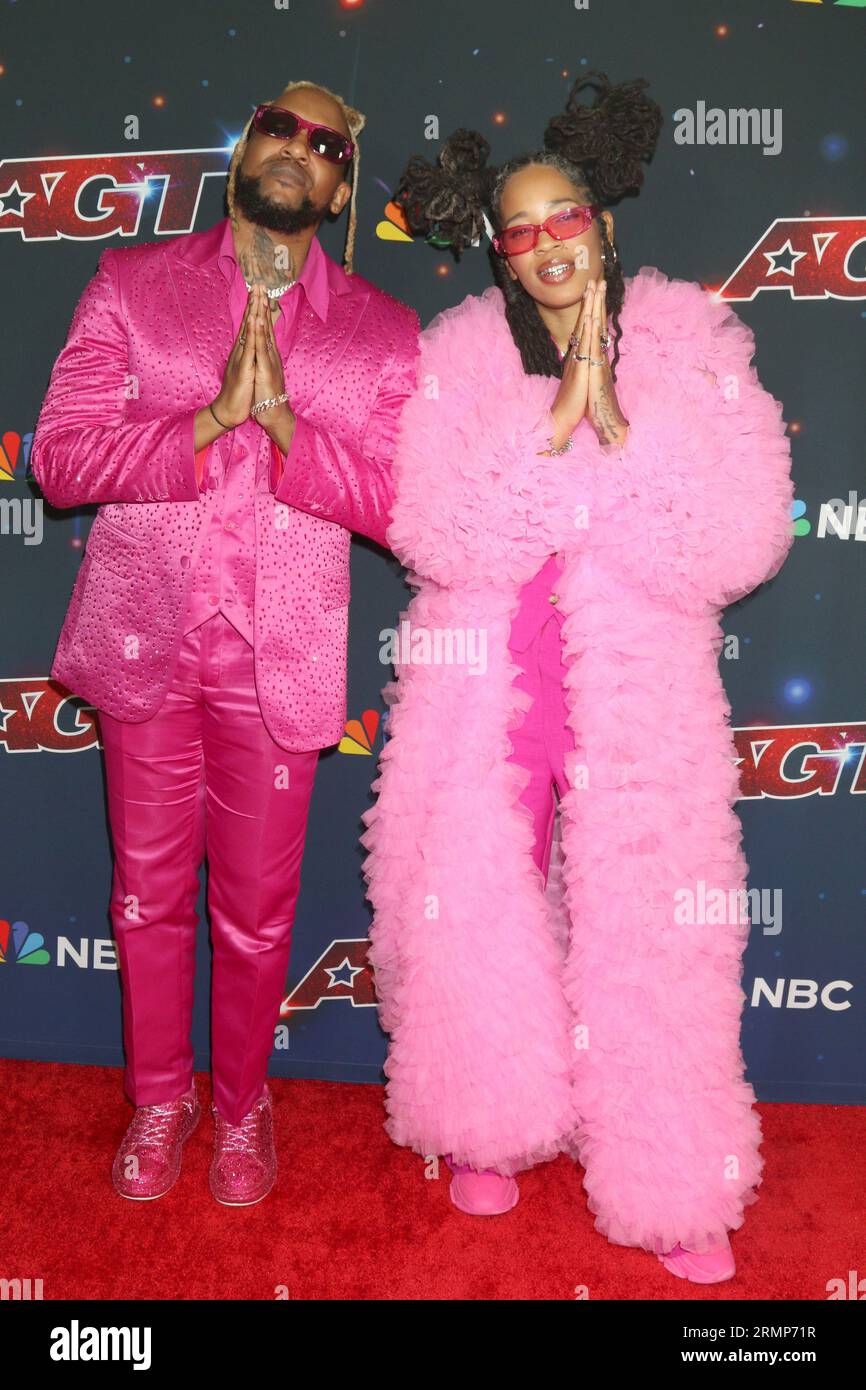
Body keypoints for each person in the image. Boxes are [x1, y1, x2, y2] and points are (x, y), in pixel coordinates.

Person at [360, 71, 794, 1283]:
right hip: (483, 690)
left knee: (656, 931)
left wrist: (622, 422)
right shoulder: (455, 353)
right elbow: (434, 530)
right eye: (521, 228)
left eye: (566, 217)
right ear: (498, 256)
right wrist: (551, 430)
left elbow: (741, 537)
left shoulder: (688, 341)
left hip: (637, 701)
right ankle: (486, 1119)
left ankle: (671, 1178)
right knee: (471, 909)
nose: (547, 242)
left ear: (599, 225)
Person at [30, 81, 419, 1207]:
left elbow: (398, 505)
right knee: (145, 900)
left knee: (256, 917)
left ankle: (243, 1108)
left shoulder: (380, 332)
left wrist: (285, 425)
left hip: (279, 662)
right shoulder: (132, 287)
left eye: (326, 144)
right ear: (243, 147)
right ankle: (163, 1099)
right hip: (145, 641)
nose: (298, 150)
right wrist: (205, 421)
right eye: (279, 128)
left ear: (342, 184)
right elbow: (59, 460)